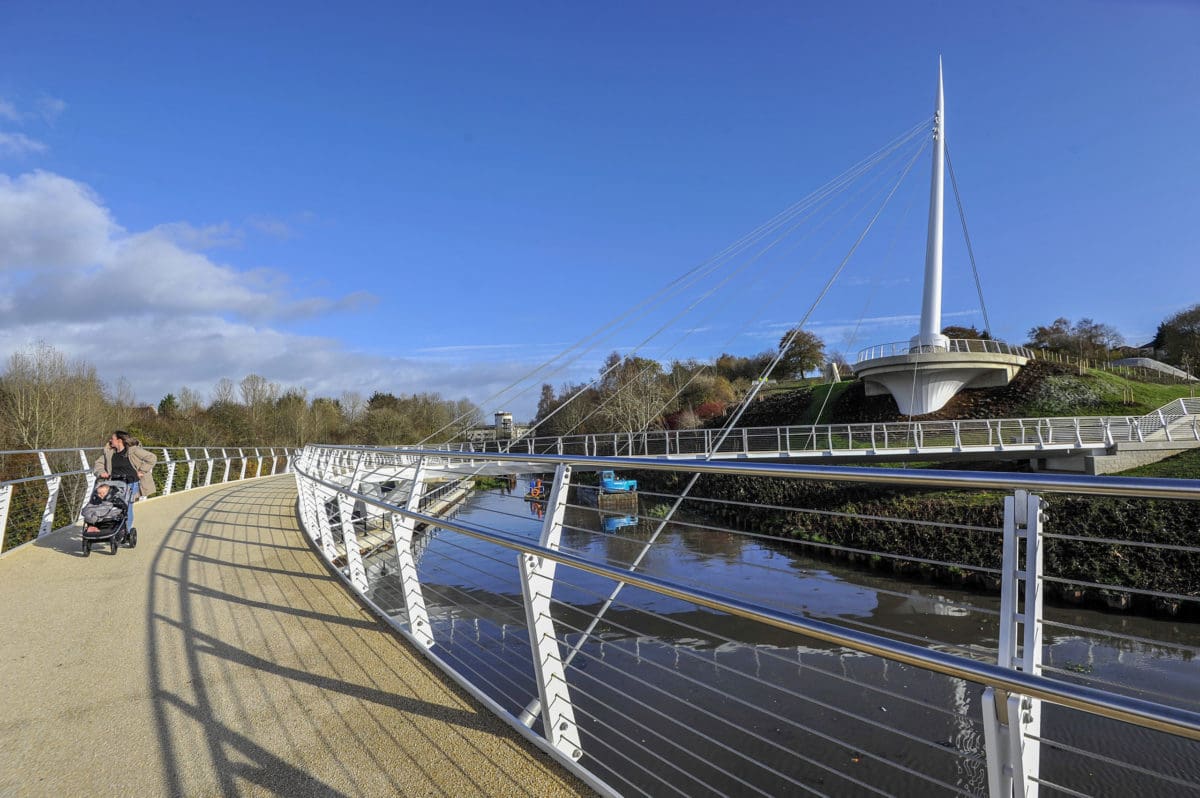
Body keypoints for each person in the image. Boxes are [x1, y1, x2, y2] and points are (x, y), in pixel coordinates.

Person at [92, 430, 157, 533]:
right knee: (110, 505)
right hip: (113, 484)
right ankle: (111, 528)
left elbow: (152, 458)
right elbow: (98, 464)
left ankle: (127, 530)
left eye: (112, 439)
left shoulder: (133, 450)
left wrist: (141, 471)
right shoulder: (109, 452)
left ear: (119, 440)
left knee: (126, 507)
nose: (110, 440)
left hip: (130, 483)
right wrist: (101, 472)